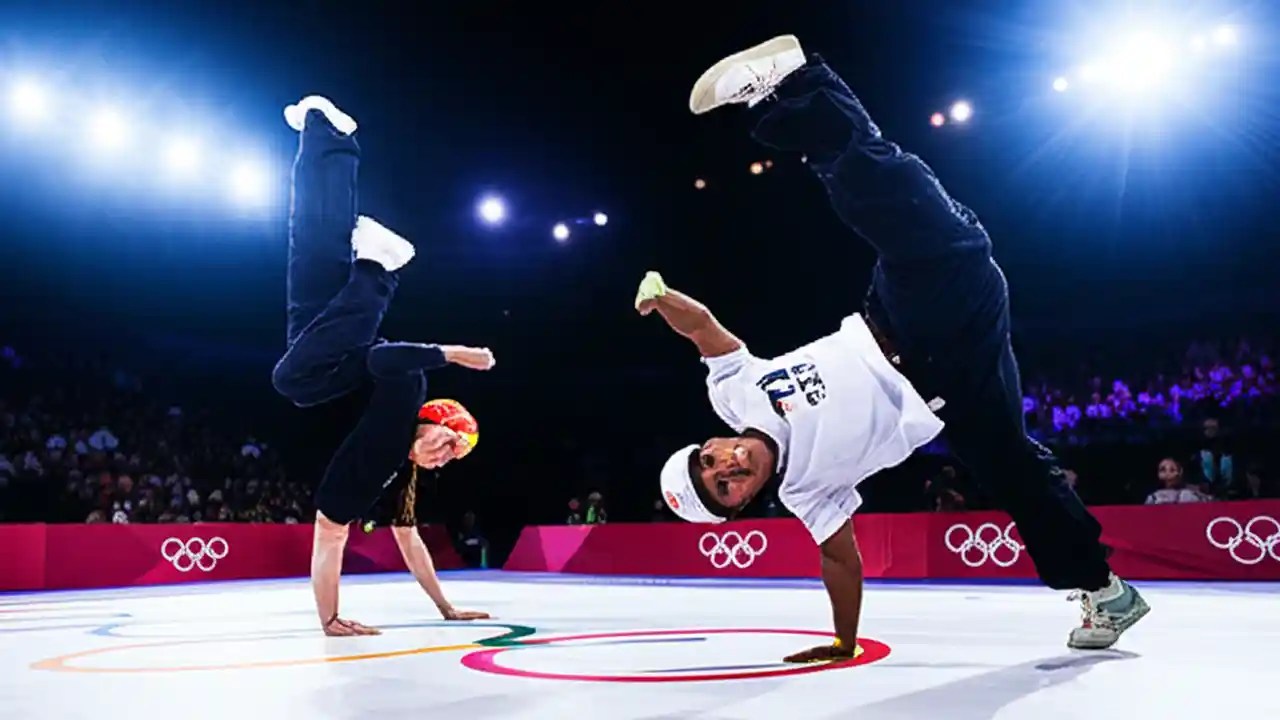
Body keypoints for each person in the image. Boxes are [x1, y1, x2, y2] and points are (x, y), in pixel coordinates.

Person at [642, 35, 1149, 662]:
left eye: (709, 463)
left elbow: (706, 331)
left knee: (911, 224)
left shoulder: (734, 393)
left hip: (896, 312)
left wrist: (660, 296)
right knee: (1015, 468)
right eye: (723, 490)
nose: (725, 471)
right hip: (944, 376)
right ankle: (1104, 590)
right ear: (743, 504)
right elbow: (839, 560)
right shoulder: (806, 492)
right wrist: (842, 642)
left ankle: (797, 84)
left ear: (710, 443)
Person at [272, 95, 495, 636]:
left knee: (313, 231)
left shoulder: (403, 476)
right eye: (449, 442)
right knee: (291, 379)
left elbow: (410, 541)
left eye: (451, 457)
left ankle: (327, 136)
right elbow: (383, 356)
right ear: (435, 420)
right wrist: (453, 353)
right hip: (342, 346)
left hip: (323, 334)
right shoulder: (405, 396)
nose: (444, 457)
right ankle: (379, 268)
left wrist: (445, 608)